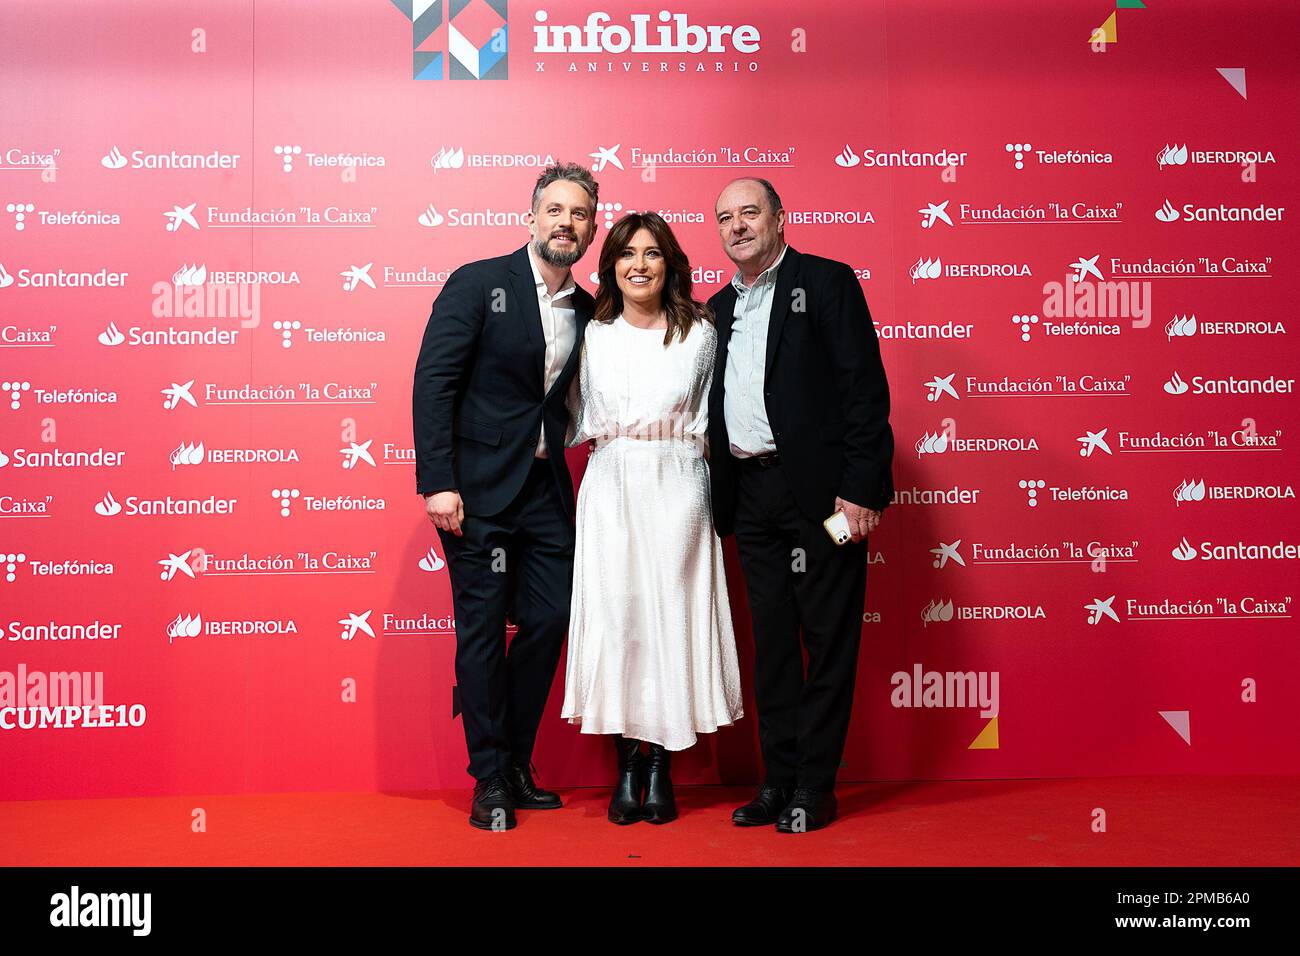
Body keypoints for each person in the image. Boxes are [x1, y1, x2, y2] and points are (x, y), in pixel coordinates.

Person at [411, 162, 599, 830]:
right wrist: (438, 480)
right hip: (478, 494)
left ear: (592, 228)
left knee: (550, 621)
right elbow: (434, 382)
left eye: (578, 214)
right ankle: (490, 777)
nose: (565, 223)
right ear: (531, 218)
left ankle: (517, 760)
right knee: (484, 632)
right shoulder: (479, 283)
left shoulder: (587, 309)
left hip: (547, 492)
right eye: (555, 210)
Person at [707, 177, 894, 833]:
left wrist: (862, 489)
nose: (737, 226)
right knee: (774, 648)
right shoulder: (716, 310)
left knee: (828, 641)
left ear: (780, 218)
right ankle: (776, 782)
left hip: (823, 497)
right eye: (725, 218)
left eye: (749, 213)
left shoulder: (828, 281)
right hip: (751, 493)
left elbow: (864, 390)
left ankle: (814, 788)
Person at [562, 211, 743, 825]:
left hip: (679, 482)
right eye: (626, 253)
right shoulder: (594, 333)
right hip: (611, 483)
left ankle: (660, 762)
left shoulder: (701, 330)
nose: (639, 264)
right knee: (621, 617)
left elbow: (719, 413)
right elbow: (567, 410)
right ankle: (627, 767)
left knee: (670, 616)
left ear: (670, 263)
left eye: (652, 252)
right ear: (610, 264)